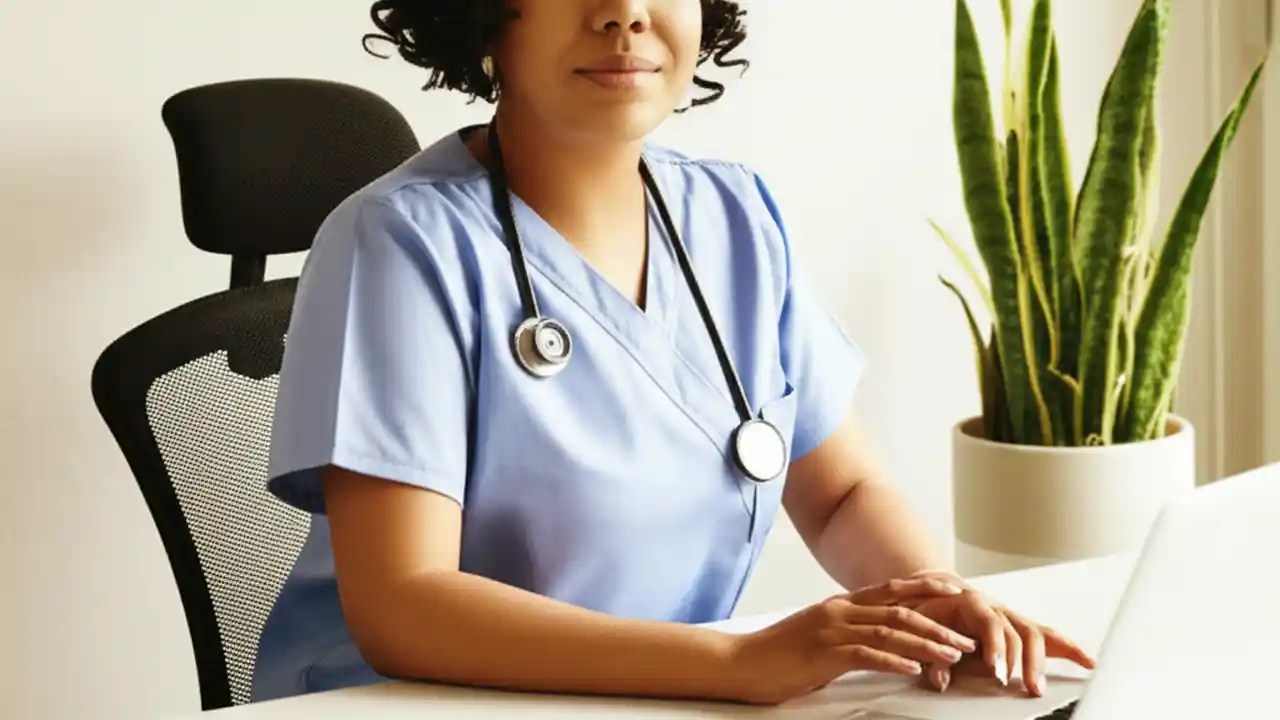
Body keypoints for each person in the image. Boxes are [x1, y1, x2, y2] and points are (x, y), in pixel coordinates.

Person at [250, 0, 1096, 707]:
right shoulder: (397, 245)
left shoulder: (736, 214)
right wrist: (739, 663)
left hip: (659, 699)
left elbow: (840, 494)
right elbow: (406, 607)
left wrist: (933, 603)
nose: (623, 13)